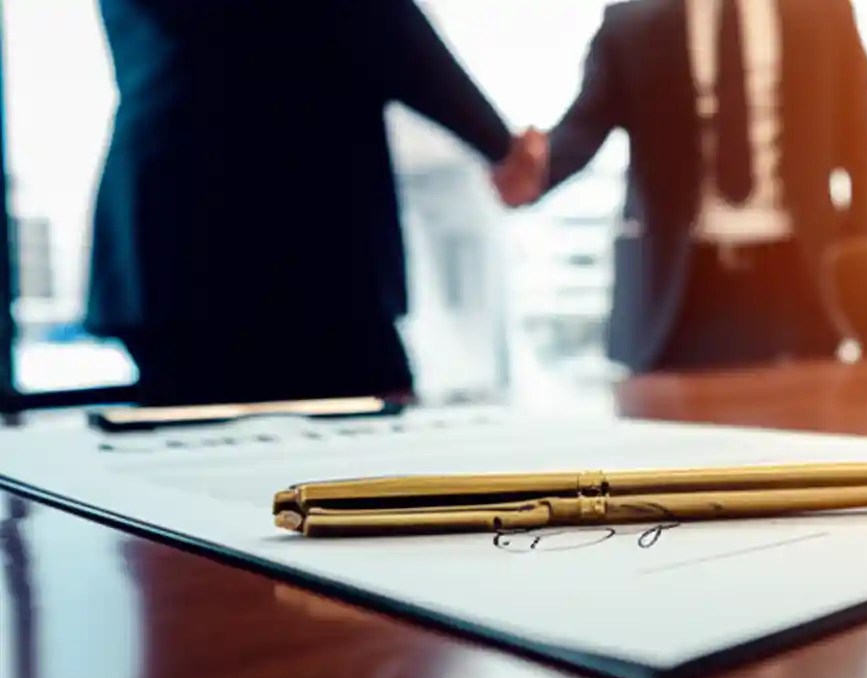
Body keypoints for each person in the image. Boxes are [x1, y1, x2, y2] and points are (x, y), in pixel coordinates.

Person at [88, 0, 542, 405]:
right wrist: (502, 148)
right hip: (290, 232)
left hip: (155, 231)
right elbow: (378, 22)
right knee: (356, 470)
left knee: (185, 464)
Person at [494, 0, 867, 373]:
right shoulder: (632, 24)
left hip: (797, 281)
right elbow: (579, 135)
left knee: (807, 429)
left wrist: (866, 267)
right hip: (681, 294)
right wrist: (513, 170)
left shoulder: (823, 12)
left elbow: (863, 143)